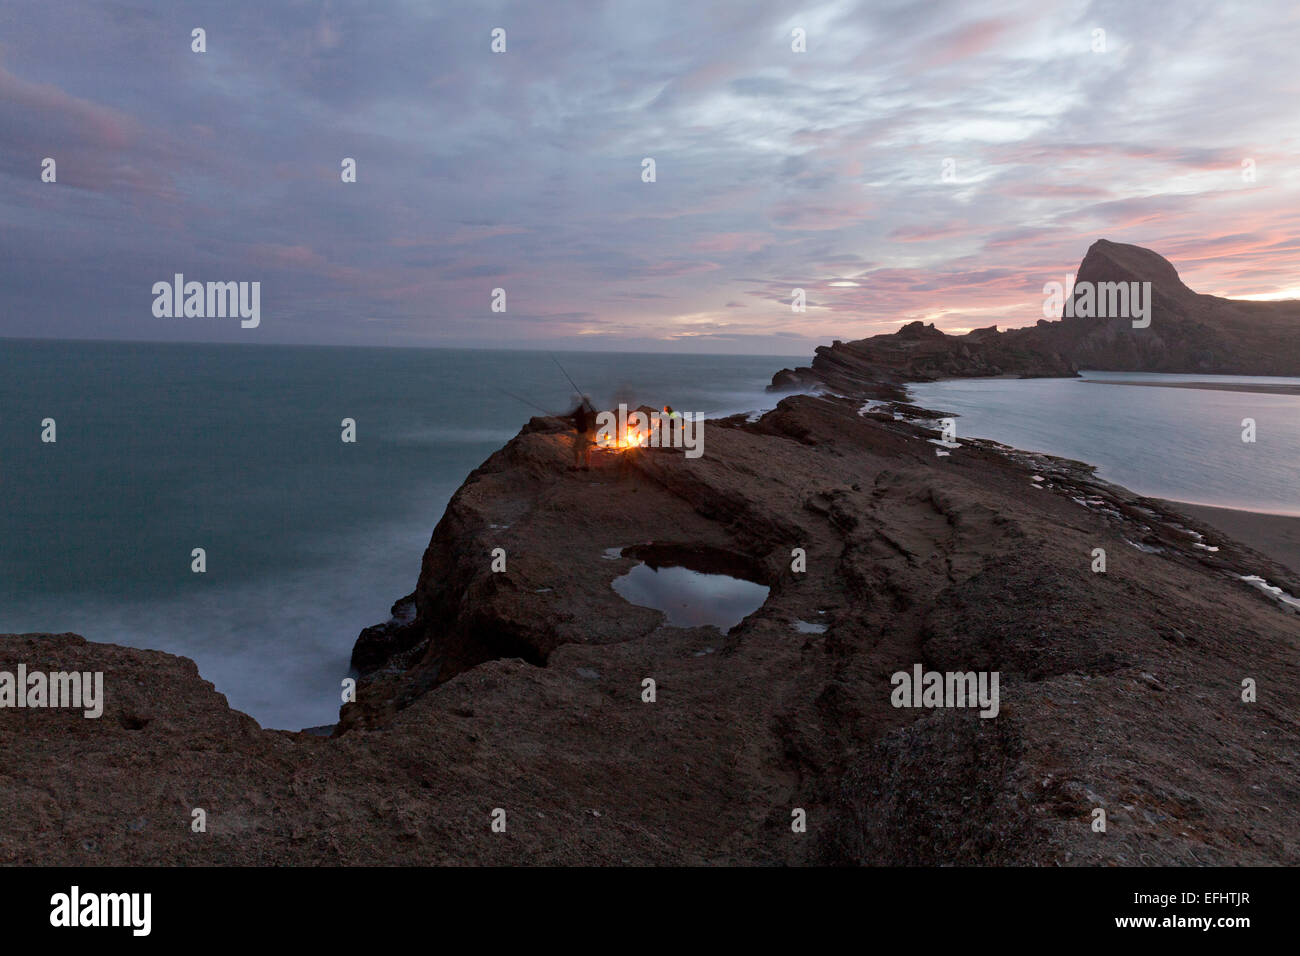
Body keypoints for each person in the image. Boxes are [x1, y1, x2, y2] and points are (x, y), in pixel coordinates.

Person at [568, 394, 595, 471]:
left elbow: (573, 416)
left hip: (583, 432)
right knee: (587, 448)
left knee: (576, 448)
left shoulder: (581, 409)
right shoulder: (592, 409)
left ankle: (576, 466)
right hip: (591, 432)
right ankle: (587, 466)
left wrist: (563, 418)